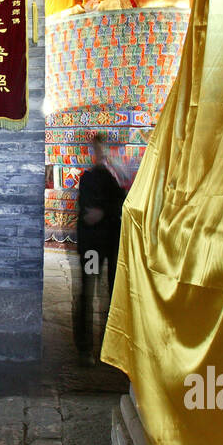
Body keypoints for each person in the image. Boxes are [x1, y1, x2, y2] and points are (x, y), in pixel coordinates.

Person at [74, 133, 126, 365]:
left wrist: (103, 212)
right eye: (96, 149)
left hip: (110, 244)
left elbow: (120, 202)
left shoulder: (116, 178)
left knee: (109, 295)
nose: (100, 153)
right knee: (90, 291)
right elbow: (88, 210)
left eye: (102, 149)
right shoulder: (89, 178)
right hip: (94, 246)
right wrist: (100, 213)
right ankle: (86, 348)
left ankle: (108, 346)